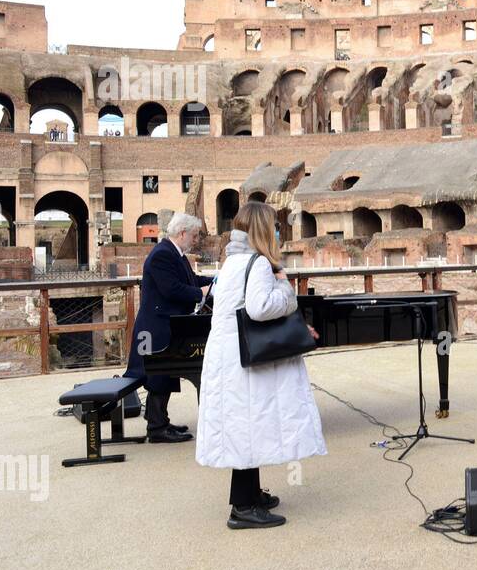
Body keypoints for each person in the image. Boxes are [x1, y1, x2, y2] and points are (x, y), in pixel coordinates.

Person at [195, 202, 326, 530]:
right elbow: (260, 307)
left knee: (246, 424)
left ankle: (251, 495)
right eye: (275, 226)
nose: (278, 232)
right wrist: (287, 291)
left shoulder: (232, 262)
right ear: (264, 229)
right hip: (242, 361)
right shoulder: (257, 264)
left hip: (229, 356)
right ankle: (242, 507)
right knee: (246, 424)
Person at [125, 212, 212, 443]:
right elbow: (171, 289)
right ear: (182, 233)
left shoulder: (176, 254)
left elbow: (191, 280)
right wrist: (201, 293)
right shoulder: (162, 255)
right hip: (156, 324)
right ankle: (156, 428)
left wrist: (214, 281)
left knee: (164, 372)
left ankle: (160, 421)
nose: (196, 240)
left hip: (166, 322)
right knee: (158, 374)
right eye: (194, 235)